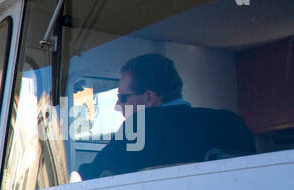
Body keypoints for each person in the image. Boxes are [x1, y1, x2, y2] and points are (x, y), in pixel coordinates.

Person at [78, 53, 253, 180]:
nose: (118, 106)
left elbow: (90, 176)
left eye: (123, 98)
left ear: (149, 97)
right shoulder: (230, 122)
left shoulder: (140, 127)